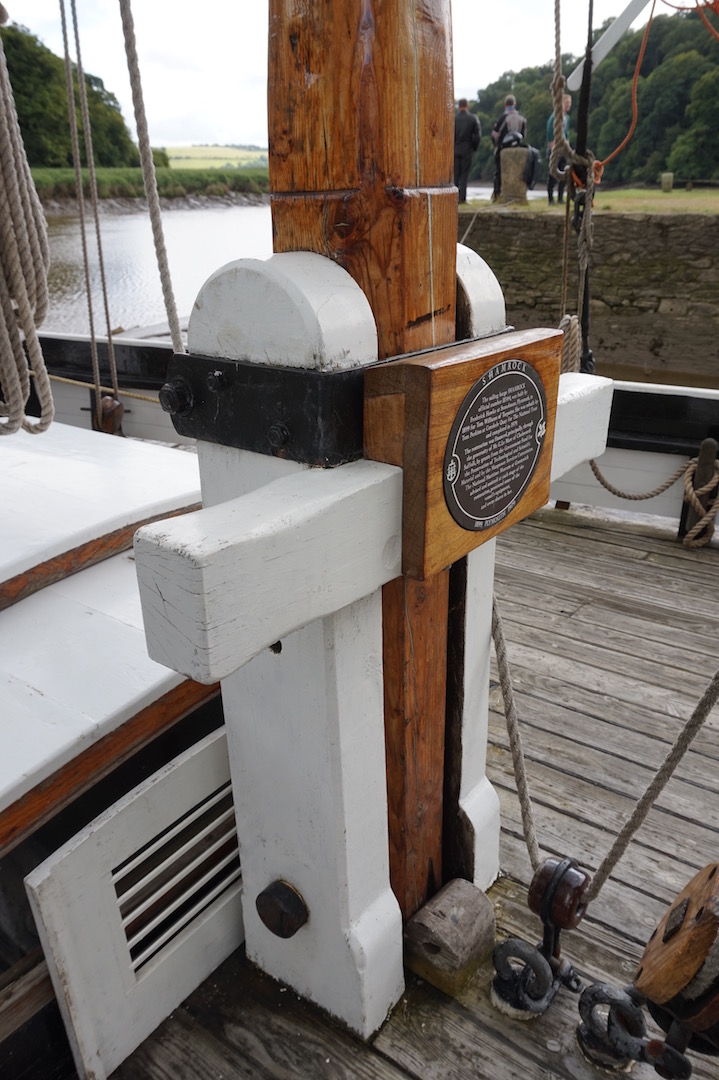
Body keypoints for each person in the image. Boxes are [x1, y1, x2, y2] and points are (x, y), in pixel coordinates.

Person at [491, 94, 527, 200]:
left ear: (505, 104)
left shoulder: (502, 118)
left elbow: (495, 135)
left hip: (503, 149)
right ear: (514, 104)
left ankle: (497, 194)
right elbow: (524, 134)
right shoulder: (522, 117)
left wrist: (495, 146)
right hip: (518, 149)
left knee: (498, 172)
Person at [454, 98, 481, 204]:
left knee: (455, 175)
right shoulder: (473, 118)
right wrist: (474, 147)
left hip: (455, 149)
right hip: (467, 149)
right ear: (467, 106)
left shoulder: (454, 119)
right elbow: (477, 135)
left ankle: (454, 197)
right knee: (464, 174)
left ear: (459, 106)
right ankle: (462, 198)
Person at [546, 94, 571, 204]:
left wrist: (568, 146)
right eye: (566, 103)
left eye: (569, 103)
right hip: (555, 148)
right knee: (553, 173)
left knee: (564, 172)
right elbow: (549, 130)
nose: (568, 105)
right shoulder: (554, 117)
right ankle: (550, 198)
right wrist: (552, 147)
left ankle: (560, 197)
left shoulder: (567, 118)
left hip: (563, 147)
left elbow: (566, 132)